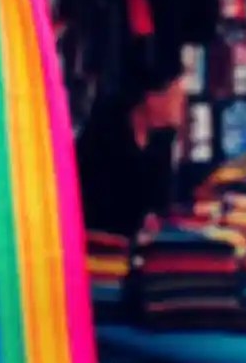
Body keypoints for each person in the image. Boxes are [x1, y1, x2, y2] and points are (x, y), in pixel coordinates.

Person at [76, 51, 186, 237]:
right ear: (151, 98)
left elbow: (161, 203)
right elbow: (95, 203)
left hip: (142, 248)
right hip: (101, 245)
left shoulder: (162, 140)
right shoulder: (104, 134)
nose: (180, 105)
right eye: (174, 97)